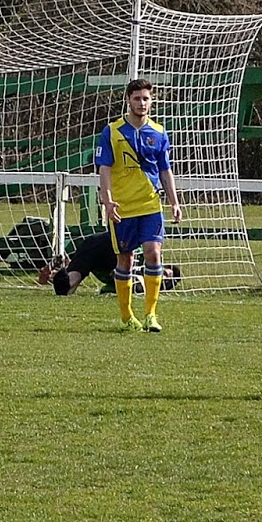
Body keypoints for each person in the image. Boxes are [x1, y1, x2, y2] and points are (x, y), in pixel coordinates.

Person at [95, 78, 182, 333]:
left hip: (150, 204)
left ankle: (151, 315)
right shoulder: (112, 131)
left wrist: (174, 202)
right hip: (123, 207)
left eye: (146, 99)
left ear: (151, 101)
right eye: (137, 99)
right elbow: (104, 169)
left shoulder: (159, 132)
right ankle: (127, 315)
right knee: (126, 259)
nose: (141, 103)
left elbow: (165, 170)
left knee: (153, 253)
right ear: (128, 100)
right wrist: (107, 200)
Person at [39, 231, 181, 297]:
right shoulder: (149, 259)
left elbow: (107, 290)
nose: (163, 276)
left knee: (65, 290)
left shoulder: (142, 285)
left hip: (101, 262)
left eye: (166, 279)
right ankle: (60, 268)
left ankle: (59, 271)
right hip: (111, 246)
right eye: (165, 273)